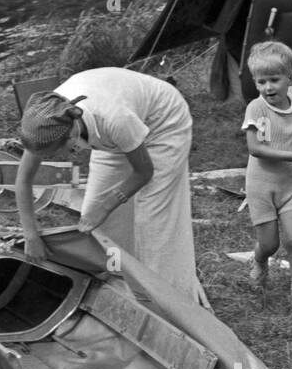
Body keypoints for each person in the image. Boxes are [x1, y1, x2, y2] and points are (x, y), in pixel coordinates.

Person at [14, 66, 199, 305]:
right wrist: (31, 235)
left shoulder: (113, 119)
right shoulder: (43, 122)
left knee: (154, 222)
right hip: (114, 131)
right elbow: (23, 180)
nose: (59, 157)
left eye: (58, 152)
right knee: (96, 224)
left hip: (162, 123)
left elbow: (144, 172)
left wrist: (107, 205)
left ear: (71, 136)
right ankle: (124, 285)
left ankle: (174, 303)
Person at [241, 40, 292, 310]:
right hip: (261, 185)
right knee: (270, 244)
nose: (267, 87)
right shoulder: (256, 109)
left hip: (291, 184)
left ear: (290, 79)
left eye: (274, 79)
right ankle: (259, 260)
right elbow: (254, 148)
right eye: (261, 82)